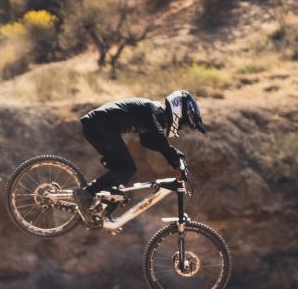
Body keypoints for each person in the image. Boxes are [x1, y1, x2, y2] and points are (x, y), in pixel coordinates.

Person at [76, 90, 206, 219]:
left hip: (98, 126)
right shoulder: (154, 110)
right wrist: (175, 162)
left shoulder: (154, 116)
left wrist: (175, 154)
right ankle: (86, 193)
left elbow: (148, 142)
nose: (181, 128)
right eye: (183, 123)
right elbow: (159, 138)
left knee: (123, 177)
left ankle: (100, 206)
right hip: (98, 126)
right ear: (178, 112)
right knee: (127, 169)